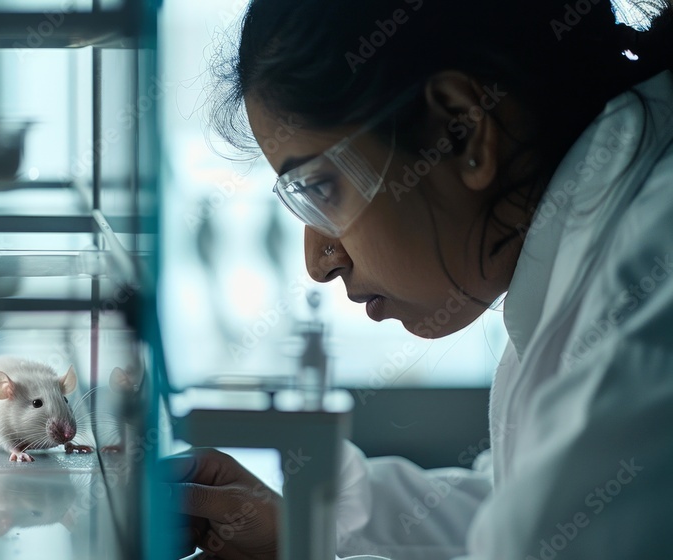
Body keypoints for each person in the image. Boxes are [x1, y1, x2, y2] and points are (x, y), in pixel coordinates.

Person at [165, 0, 673, 558]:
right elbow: (521, 508)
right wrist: (301, 534)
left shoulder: (647, 302)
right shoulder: (593, 245)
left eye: (319, 190)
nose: (318, 262)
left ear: (462, 132)